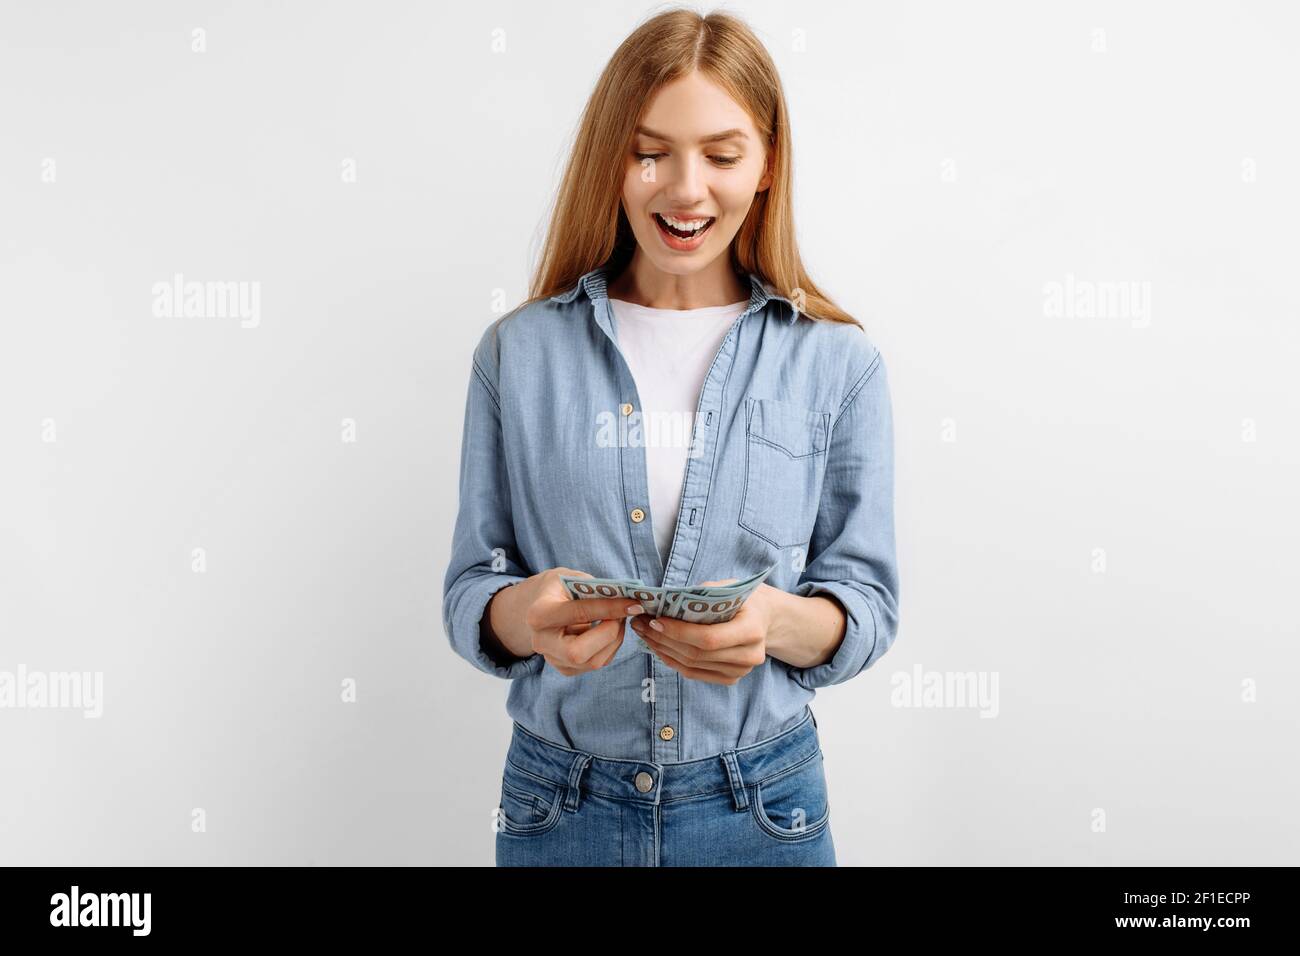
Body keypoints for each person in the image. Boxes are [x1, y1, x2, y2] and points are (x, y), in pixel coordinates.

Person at [442, 8, 900, 866]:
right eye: (650, 151)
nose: (686, 189)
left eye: (722, 155)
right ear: (612, 160)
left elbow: (866, 605)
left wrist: (772, 624)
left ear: (766, 166)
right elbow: (473, 588)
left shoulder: (838, 364)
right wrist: (527, 619)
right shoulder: (518, 354)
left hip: (764, 813)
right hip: (559, 809)